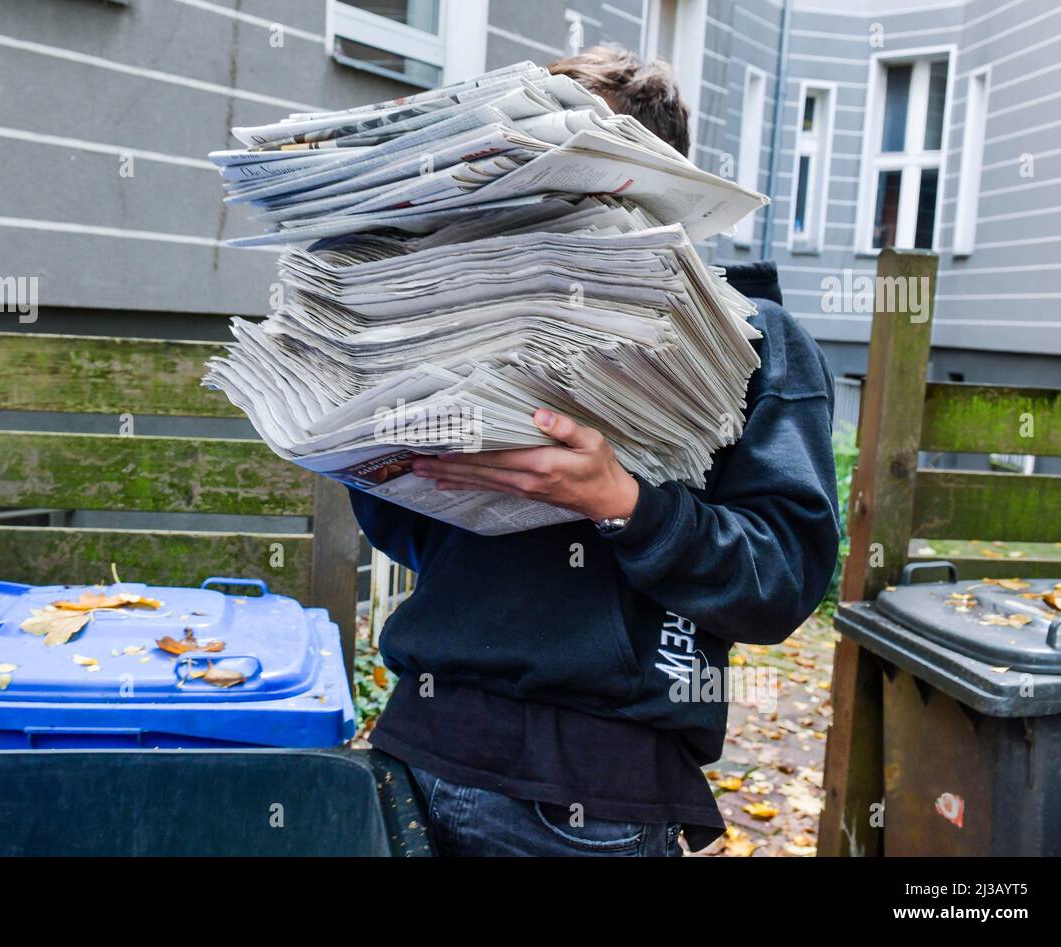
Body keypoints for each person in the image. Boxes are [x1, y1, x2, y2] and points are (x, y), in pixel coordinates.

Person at [350, 46, 840, 857]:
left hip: (589, 792)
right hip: (418, 750)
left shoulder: (759, 345)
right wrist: (378, 444)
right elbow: (413, 536)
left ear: (653, 189)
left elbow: (781, 579)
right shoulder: (486, 314)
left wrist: (627, 504)